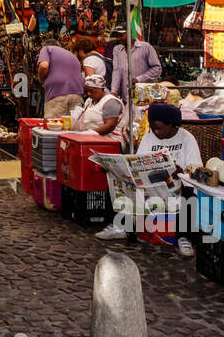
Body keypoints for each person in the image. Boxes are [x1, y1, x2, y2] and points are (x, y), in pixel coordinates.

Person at [97, 102, 200, 254]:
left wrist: (181, 171)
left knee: (189, 192)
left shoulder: (187, 139)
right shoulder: (149, 137)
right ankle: (120, 226)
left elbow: (196, 169)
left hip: (174, 189)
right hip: (151, 188)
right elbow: (139, 162)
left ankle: (184, 237)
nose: (156, 132)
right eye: (153, 128)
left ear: (172, 125)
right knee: (115, 179)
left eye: (159, 128)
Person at [109, 23, 161, 100]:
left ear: (129, 33)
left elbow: (157, 69)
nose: (118, 39)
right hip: (126, 97)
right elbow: (116, 71)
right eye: (117, 36)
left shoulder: (146, 47)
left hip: (145, 96)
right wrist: (114, 91)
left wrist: (138, 79)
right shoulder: (117, 49)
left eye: (121, 35)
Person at [37, 36, 84, 119]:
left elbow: (44, 66)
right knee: (73, 127)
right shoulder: (71, 55)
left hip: (57, 93)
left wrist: (41, 79)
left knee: (53, 126)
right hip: (77, 94)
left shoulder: (46, 49)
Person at [77, 74, 123, 140]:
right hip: (90, 138)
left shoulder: (111, 102)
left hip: (109, 141)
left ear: (100, 89)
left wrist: (91, 133)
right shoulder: (89, 100)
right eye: (87, 91)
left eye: (91, 90)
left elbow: (110, 126)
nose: (89, 94)